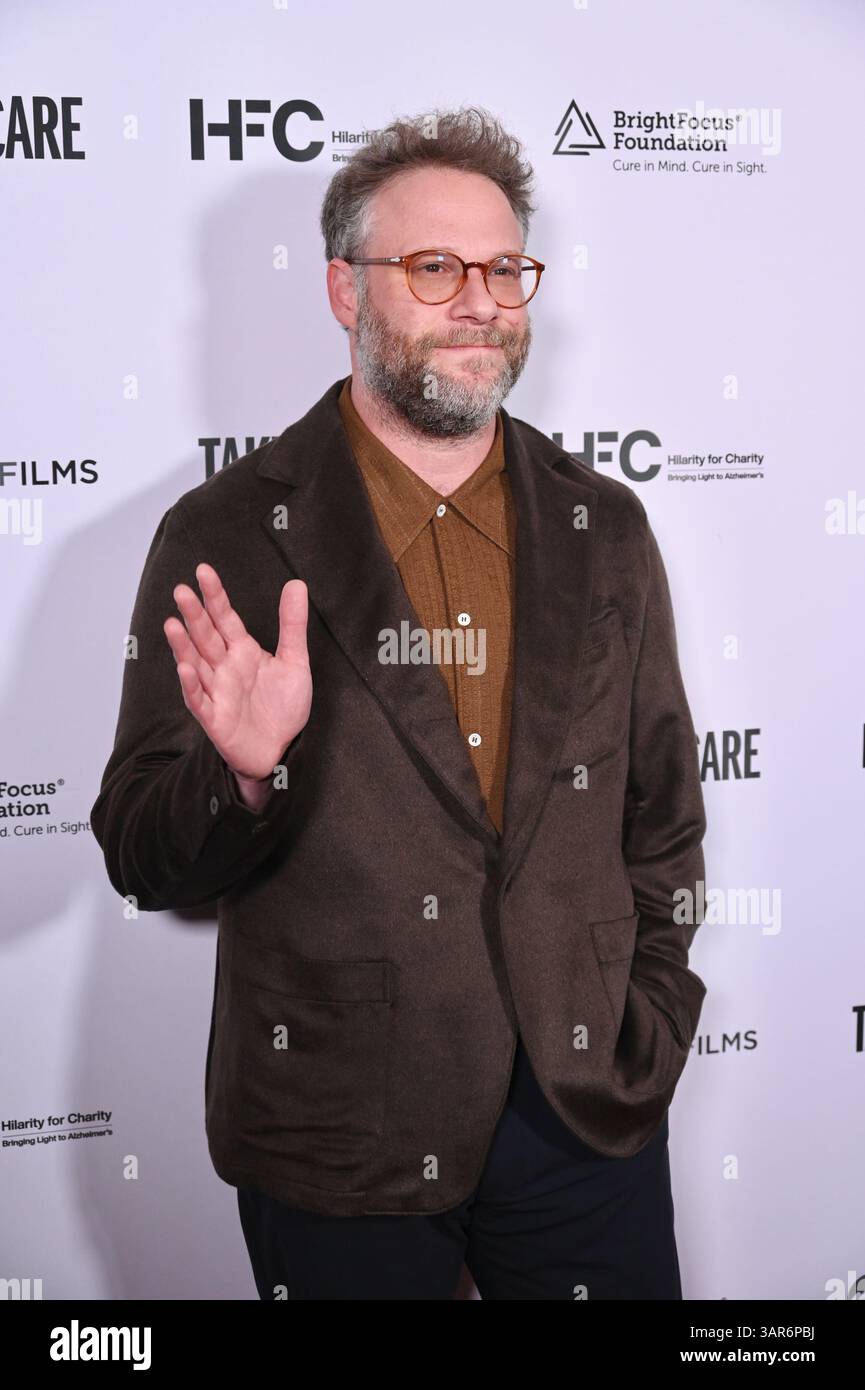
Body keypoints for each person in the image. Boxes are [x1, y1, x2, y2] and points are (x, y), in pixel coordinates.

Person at [91, 106, 708, 1300]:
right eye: (434, 268)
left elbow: (662, 811)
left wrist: (651, 1013)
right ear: (343, 290)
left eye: (504, 268)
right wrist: (244, 774)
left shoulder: (607, 527)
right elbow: (139, 853)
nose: (481, 300)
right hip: (339, 1124)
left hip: (584, 1110)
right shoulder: (225, 532)